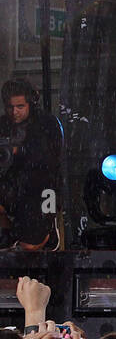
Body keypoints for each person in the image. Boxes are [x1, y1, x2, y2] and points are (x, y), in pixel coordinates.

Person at [0, 78, 62, 250]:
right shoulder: (3, 124)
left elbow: (49, 158)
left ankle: (47, 230)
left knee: (29, 247)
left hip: (40, 189)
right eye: (10, 107)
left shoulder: (47, 124)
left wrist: (18, 151)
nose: (14, 112)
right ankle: (7, 235)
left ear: (31, 104)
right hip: (10, 185)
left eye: (20, 107)